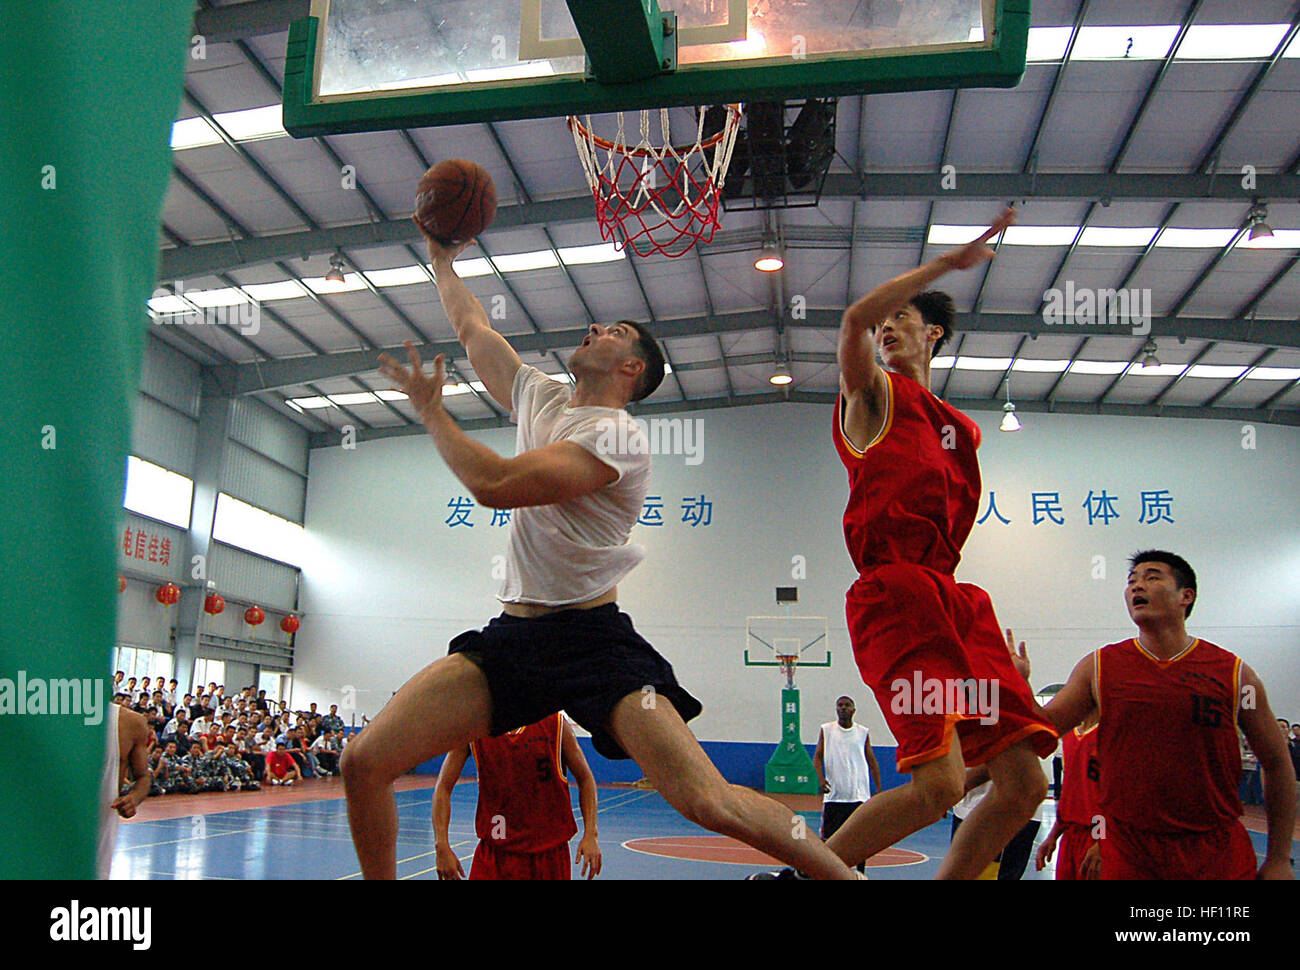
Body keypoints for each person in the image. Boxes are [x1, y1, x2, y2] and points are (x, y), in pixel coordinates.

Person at [340, 228, 861, 881]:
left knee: (706, 799)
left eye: (612, 330)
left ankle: (846, 878)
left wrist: (432, 414)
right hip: (514, 640)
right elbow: (474, 329)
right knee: (363, 763)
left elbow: (497, 487)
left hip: (593, 646)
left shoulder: (617, 436)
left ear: (631, 368)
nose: (595, 326)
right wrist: (442, 259)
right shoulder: (542, 398)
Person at [806, 208, 1057, 880]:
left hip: (955, 598)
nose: (888, 326)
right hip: (895, 592)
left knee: (1026, 785)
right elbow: (855, 321)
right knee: (940, 787)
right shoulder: (871, 396)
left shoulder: (960, 430)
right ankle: (807, 872)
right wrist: (946, 265)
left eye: (904, 318)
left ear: (934, 333)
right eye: (887, 319)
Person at [1034, 551, 1295, 880]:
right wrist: (1007, 684)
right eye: (1131, 581)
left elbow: (1276, 762)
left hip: (1214, 852)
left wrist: (1279, 858)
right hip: (1130, 852)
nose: (1136, 586)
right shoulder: (1099, 667)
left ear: (1186, 596)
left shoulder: (1234, 674)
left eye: (1151, 577)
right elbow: (1039, 728)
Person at [433, 713, 601, 880]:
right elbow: (443, 787)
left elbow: (585, 778)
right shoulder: (475, 729)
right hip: (495, 854)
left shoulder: (556, 724)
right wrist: (441, 845)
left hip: (548, 855)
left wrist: (591, 834)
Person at [813, 696, 882, 873]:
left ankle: (860, 872)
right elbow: (818, 757)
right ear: (836, 709)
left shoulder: (862, 732)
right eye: (840, 705)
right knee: (828, 839)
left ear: (854, 709)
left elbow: (872, 761)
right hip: (835, 795)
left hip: (858, 795)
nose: (843, 708)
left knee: (860, 838)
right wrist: (821, 779)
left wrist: (879, 789)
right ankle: (826, 872)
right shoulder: (827, 730)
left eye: (847, 705)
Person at [1035, 714, 1101, 879]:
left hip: (1098, 834)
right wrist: (1053, 835)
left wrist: (1103, 841)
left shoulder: (1110, 732)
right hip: (1070, 835)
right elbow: (1070, 793)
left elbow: (1118, 796)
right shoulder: (1069, 735)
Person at [99, 703, 152, 878]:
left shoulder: (130, 722)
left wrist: (134, 798)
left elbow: (143, 777)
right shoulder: (45, 717)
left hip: (101, 825)